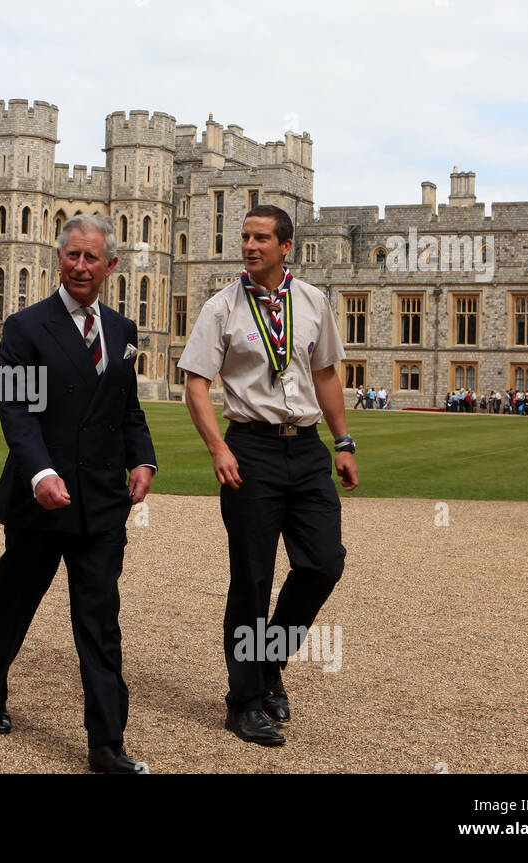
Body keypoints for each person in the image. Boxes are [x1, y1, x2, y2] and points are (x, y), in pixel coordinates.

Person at [0, 214, 157, 774]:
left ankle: (106, 743)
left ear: (111, 265)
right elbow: (16, 411)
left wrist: (143, 457)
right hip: (39, 497)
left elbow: (127, 409)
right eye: (72, 256)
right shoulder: (26, 326)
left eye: (91, 258)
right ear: (59, 259)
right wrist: (38, 474)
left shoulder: (124, 333)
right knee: (14, 604)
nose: (81, 266)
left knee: (99, 620)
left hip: (101, 502)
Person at [179, 204, 358, 746]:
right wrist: (217, 448)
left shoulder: (312, 302)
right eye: (245, 237)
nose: (250, 246)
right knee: (253, 579)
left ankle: (270, 661)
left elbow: (326, 372)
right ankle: (244, 702)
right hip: (250, 449)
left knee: (324, 564)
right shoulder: (221, 307)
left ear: (287, 247)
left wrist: (343, 441)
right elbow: (195, 382)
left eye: (261, 238)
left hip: (305, 451)